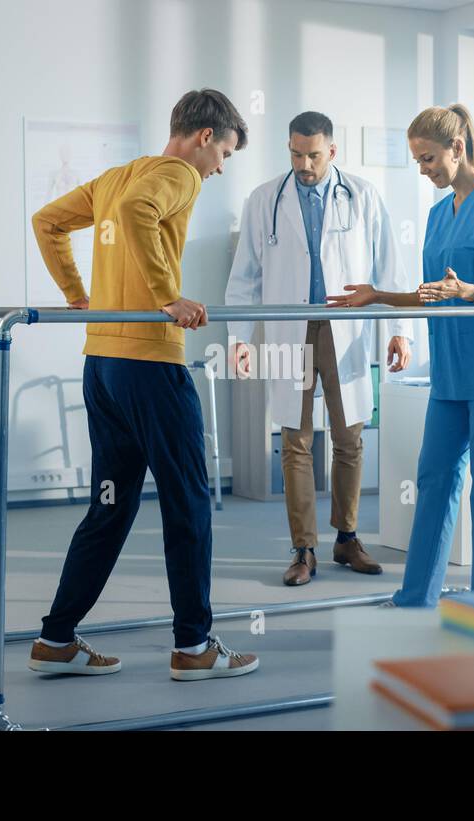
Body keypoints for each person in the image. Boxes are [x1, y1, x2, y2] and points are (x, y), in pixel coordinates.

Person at [27, 89, 259, 680]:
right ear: (206, 136)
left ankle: (56, 639)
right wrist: (167, 297)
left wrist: (78, 297)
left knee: (110, 504)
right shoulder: (180, 173)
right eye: (225, 152)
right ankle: (193, 646)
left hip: (102, 366)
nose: (221, 166)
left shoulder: (117, 176)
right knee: (188, 500)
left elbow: (47, 221)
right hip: (152, 367)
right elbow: (137, 216)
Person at [327, 104, 474, 607]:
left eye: (429, 158)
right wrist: (380, 295)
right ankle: (416, 599)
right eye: (417, 161)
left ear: (458, 148)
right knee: (434, 477)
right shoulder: (437, 213)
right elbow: (437, 293)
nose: (424, 169)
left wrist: (470, 290)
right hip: (453, 368)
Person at [225, 111, 415, 586]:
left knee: (350, 435)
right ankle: (303, 548)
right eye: (295, 153)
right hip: (290, 326)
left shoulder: (364, 196)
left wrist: (399, 328)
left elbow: (389, 265)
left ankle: (346, 538)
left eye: (313, 154)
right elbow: (244, 276)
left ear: (332, 151)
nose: (303, 163)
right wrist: (239, 339)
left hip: (345, 326)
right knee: (296, 440)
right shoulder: (264, 198)